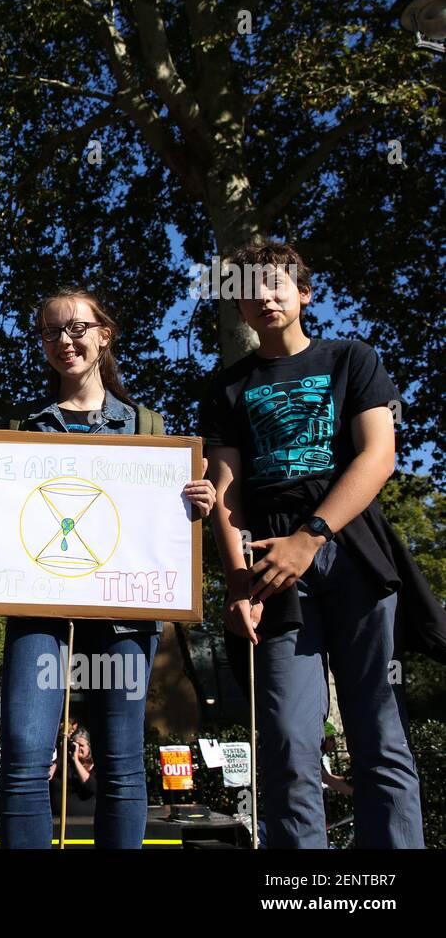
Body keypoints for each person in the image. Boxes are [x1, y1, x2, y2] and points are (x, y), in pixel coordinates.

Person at [202, 239, 428, 849]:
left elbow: (379, 456)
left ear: (304, 292)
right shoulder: (225, 389)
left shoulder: (352, 359)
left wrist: (312, 536)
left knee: (379, 732)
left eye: (276, 284)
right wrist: (238, 583)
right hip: (269, 567)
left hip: (353, 552)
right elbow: (225, 493)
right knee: (286, 740)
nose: (263, 296)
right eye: (248, 288)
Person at [0, 287, 215, 849]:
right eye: (49, 332)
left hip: (124, 611)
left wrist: (195, 501)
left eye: (76, 328)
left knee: (120, 763)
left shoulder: (147, 425)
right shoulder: (21, 426)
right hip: (35, 606)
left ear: (104, 334)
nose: (63, 341)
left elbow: (164, 524)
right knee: (24, 756)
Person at [48, 726, 96, 818]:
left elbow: (91, 787)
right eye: (74, 745)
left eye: (81, 746)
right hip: (58, 822)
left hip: (85, 823)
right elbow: (46, 778)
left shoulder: (94, 768)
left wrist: (76, 761)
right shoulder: (63, 766)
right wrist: (60, 758)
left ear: (89, 747)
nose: (77, 749)